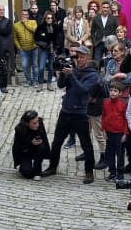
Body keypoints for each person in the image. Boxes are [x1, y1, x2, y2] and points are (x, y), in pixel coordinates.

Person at [41, 45, 100, 183]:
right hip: (66, 111)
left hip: (80, 113)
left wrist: (71, 75)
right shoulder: (71, 70)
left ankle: (89, 172)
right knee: (57, 142)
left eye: (81, 57)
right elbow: (61, 85)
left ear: (87, 57)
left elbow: (82, 90)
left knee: (86, 144)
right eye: (77, 57)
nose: (79, 59)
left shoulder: (92, 75)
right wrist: (62, 73)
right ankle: (52, 166)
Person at [12, 110, 50, 180]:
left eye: (37, 121)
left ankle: (37, 171)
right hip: (26, 152)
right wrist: (30, 143)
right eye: (34, 123)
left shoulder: (40, 124)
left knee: (41, 147)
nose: (37, 124)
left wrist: (47, 153)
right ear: (27, 123)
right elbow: (17, 147)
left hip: (38, 149)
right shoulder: (19, 129)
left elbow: (45, 139)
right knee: (27, 172)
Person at [101, 81, 128, 181]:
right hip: (109, 132)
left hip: (119, 133)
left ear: (120, 93)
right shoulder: (105, 102)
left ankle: (120, 173)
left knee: (120, 154)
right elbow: (103, 116)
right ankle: (112, 171)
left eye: (115, 91)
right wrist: (103, 129)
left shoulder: (123, 105)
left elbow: (126, 120)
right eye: (111, 90)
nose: (112, 93)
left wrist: (125, 133)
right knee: (110, 153)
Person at [34, 10, 61, 90]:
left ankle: (49, 84)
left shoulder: (56, 27)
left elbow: (59, 38)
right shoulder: (40, 27)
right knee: (41, 67)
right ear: (45, 18)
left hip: (53, 49)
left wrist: (57, 46)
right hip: (44, 49)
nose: (49, 19)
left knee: (51, 67)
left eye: (51, 18)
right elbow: (36, 38)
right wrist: (43, 45)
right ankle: (40, 83)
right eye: (48, 18)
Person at [13, 9, 38, 88]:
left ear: (28, 15)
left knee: (35, 65)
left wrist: (25, 24)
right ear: (21, 15)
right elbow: (15, 38)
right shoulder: (16, 25)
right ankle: (28, 80)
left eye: (26, 15)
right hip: (23, 49)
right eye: (23, 14)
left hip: (34, 47)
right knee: (24, 65)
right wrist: (19, 47)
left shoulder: (33, 22)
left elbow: (35, 31)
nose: (24, 16)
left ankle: (35, 81)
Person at [90, 1, 118, 67]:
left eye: (107, 7)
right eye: (104, 7)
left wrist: (115, 42)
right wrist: (94, 42)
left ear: (109, 9)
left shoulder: (113, 18)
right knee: (97, 62)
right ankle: (96, 76)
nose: (105, 9)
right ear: (101, 8)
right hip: (99, 43)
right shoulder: (96, 18)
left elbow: (116, 30)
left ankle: (107, 76)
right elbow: (92, 31)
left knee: (109, 62)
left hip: (110, 44)